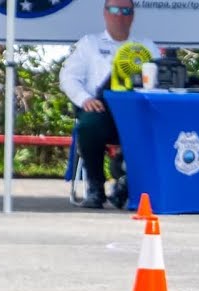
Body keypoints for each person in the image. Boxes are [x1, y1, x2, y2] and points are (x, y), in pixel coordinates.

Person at [58, 0, 158, 209]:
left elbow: (161, 78)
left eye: (125, 11)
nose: (119, 16)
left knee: (160, 130)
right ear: (105, 13)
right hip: (102, 111)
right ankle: (95, 188)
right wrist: (85, 99)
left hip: (136, 114)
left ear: (132, 15)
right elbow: (68, 77)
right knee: (87, 127)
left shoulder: (146, 46)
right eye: (114, 10)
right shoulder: (90, 44)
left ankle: (128, 187)